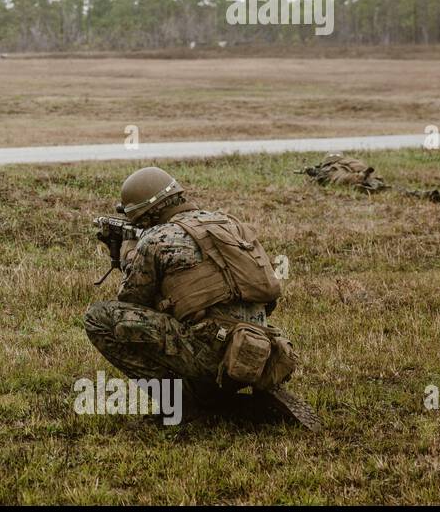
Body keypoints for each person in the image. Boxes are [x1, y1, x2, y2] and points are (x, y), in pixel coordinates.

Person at [84, 166, 320, 428]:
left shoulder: (155, 239)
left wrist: (127, 256)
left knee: (100, 318)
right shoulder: (231, 225)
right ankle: (219, 395)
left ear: (146, 214)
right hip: (257, 344)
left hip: (211, 353)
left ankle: (182, 408)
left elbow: (131, 305)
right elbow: (269, 298)